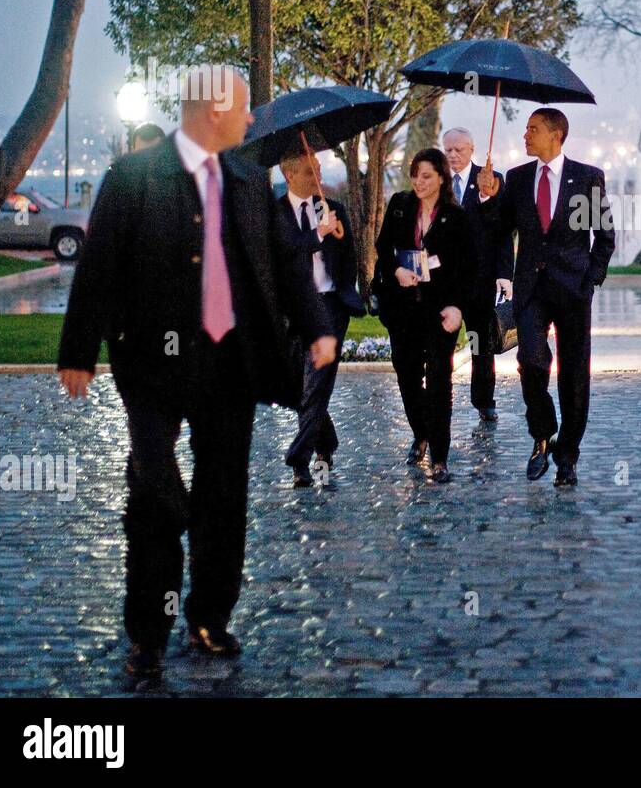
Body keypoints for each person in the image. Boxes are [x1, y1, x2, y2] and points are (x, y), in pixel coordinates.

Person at [57, 66, 337, 681]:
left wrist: (317, 326)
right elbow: (98, 264)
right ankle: (148, 634)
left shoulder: (244, 177)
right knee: (155, 494)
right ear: (211, 111)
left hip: (228, 365)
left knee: (224, 496)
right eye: (240, 110)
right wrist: (78, 350)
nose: (249, 121)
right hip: (153, 367)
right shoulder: (136, 176)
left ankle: (210, 617)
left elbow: (285, 260)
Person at [477, 108, 616, 487]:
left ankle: (567, 455)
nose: (525, 136)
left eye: (533, 130)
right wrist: (488, 198)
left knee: (573, 376)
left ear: (556, 135)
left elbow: (605, 237)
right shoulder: (518, 180)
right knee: (532, 362)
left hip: (572, 291)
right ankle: (543, 431)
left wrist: (590, 279)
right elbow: (498, 230)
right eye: (525, 130)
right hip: (531, 292)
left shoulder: (587, 178)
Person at [374, 148, 475, 484]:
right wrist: (398, 272)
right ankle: (421, 433)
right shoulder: (400, 205)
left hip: (439, 311)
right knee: (406, 375)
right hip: (403, 308)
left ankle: (440, 457)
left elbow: (466, 269)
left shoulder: (455, 217)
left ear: (442, 178)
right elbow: (383, 249)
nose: (418, 181)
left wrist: (458, 307)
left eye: (426, 175)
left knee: (439, 379)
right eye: (415, 174)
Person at [278, 148, 365, 488]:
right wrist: (318, 235)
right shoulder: (277, 214)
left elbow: (350, 258)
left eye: (317, 168)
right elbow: (285, 254)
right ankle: (325, 443)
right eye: (307, 171)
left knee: (316, 381)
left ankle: (299, 459)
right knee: (300, 386)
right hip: (295, 308)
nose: (316, 177)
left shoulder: (333, 210)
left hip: (330, 307)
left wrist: (346, 293)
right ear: (288, 174)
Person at [442, 127, 514, 429]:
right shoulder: (436, 181)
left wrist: (503, 274)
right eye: (448, 150)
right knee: (440, 345)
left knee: (479, 345)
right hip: (444, 282)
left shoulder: (490, 180)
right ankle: (438, 399)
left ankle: (484, 402)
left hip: (479, 280)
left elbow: (503, 231)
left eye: (459, 150)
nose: (453, 155)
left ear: (472, 149)